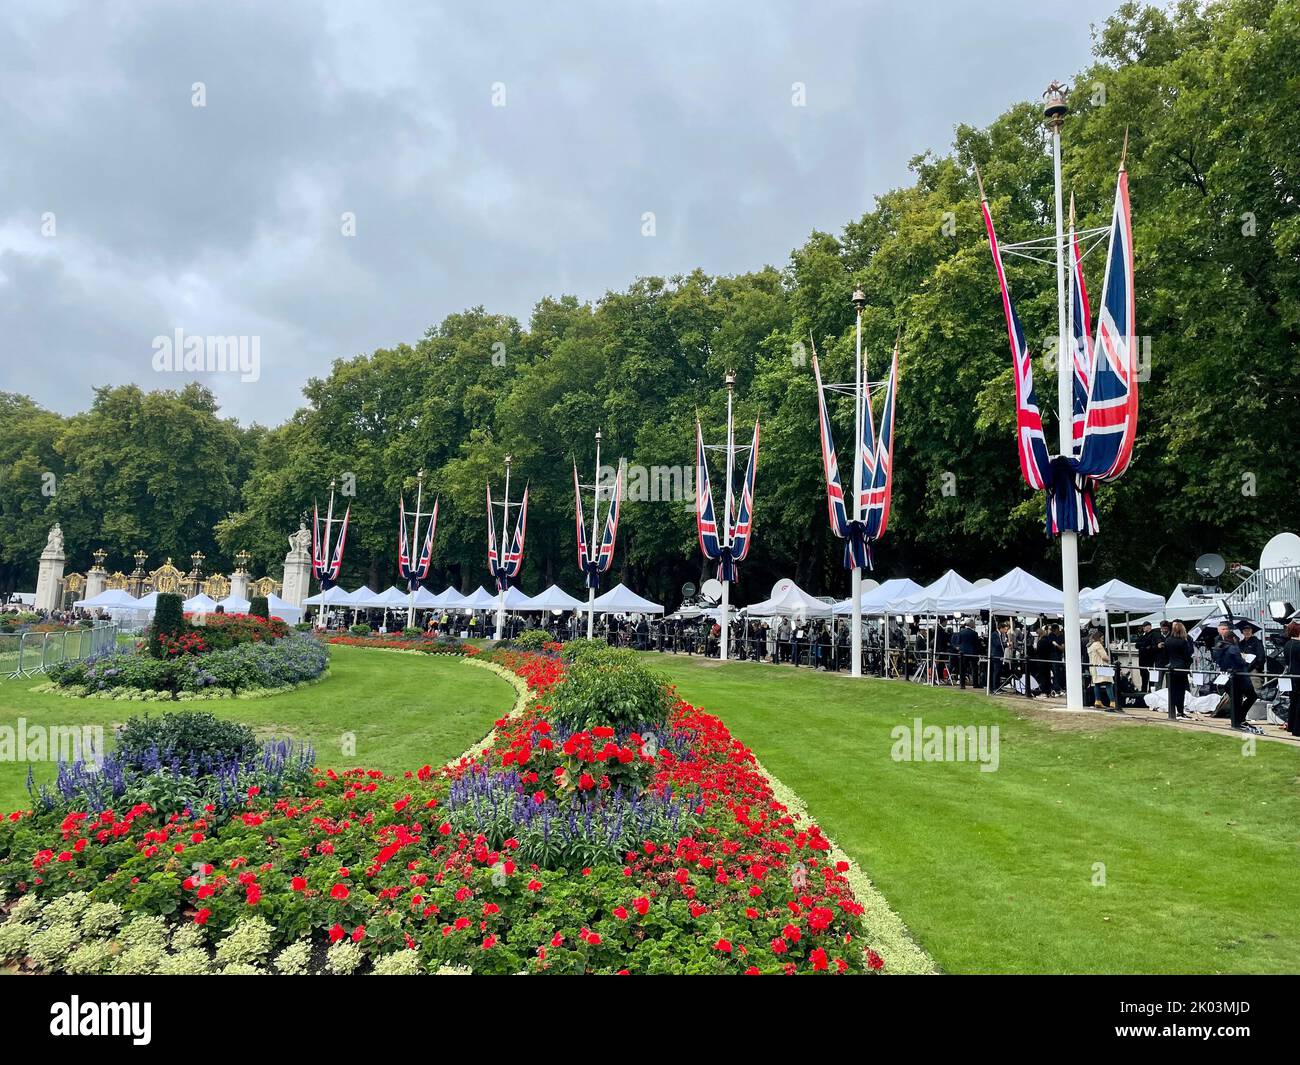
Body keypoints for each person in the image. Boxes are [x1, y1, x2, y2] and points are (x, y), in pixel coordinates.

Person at [1213, 632, 1258, 731]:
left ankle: (1237, 721)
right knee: (1252, 696)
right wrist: (1245, 659)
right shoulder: (1233, 648)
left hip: (1226, 677)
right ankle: (1239, 719)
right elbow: (1240, 663)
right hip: (1239, 677)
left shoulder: (1219, 648)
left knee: (1236, 700)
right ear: (1233, 638)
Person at [1163, 621, 1193, 720]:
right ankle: (1180, 711)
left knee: (1172, 690)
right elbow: (1187, 655)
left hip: (1171, 667)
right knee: (1181, 691)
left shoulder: (1168, 640)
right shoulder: (1183, 641)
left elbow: (1166, 655)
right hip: (1181, 668)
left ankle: (1173, 710)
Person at [1087, 631, 1117, 710]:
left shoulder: (1090, 646)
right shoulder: (1098, 645)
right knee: (1109, 683)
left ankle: (1097, 700)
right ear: (1098, 638)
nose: (1103, 640)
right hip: (1102, 667)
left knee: (1097, 684)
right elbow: (1104, 657)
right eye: (1102, 638)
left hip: (1093, 667)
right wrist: (1109, 659)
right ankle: (1112, 702)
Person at [1283, 621, 1300, 738]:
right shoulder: (1298, 645)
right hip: (1298, 675)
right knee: (1299, 702)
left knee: (1293, 701)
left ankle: (1291, 725)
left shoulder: (1287, 644)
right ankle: (1297, 729)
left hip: (1291, 674)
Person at [1135, 622, 1158, 692]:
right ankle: (1143, 692)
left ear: (1149, 627)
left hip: (1150, 659)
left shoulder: (1154, 634)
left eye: (1145, 626)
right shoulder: (1143, 635)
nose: (1143, 628)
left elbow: (1151, 645)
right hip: (1142, 659)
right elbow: (1137, 645)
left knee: (1150, 677)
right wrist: (1144, 645)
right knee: (1143, 677)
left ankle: (1150, 691)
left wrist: (1143, 645)